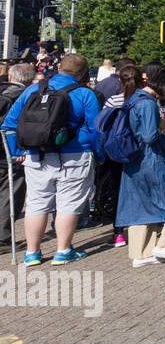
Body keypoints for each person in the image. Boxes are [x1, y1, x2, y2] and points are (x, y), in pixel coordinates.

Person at [1, 53, 101, 266]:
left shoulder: (33, 89)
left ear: (59, 68)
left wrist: (17, 151)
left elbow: (9, 124)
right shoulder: (85, 94)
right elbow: (95, 130)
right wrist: (99, 154)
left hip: (37, 154)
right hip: (75, 155)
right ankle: (63, 250)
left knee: (37, 203)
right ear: (83, 73)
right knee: (68, 203)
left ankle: (32, 253)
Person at [113, 64, 165, 268]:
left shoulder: (134, 97)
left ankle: (140, 253)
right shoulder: (147, 103)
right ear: (163, 85)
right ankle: (164, 244)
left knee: (140, 207)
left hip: (135, 161)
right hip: (152, 159)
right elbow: (148, 136)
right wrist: (162, 126)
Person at [90, 56, 134, 246]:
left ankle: (118, 232)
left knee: (115, 187)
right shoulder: (142, 97)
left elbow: (100, 124)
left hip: (114, 148)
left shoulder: (105, 89)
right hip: (135, 149)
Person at [0, 63, 34, 246]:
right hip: (11, 153)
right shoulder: (25, 97)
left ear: (11, 77)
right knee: (10, 195)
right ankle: (3, 238)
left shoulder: (2, 93)